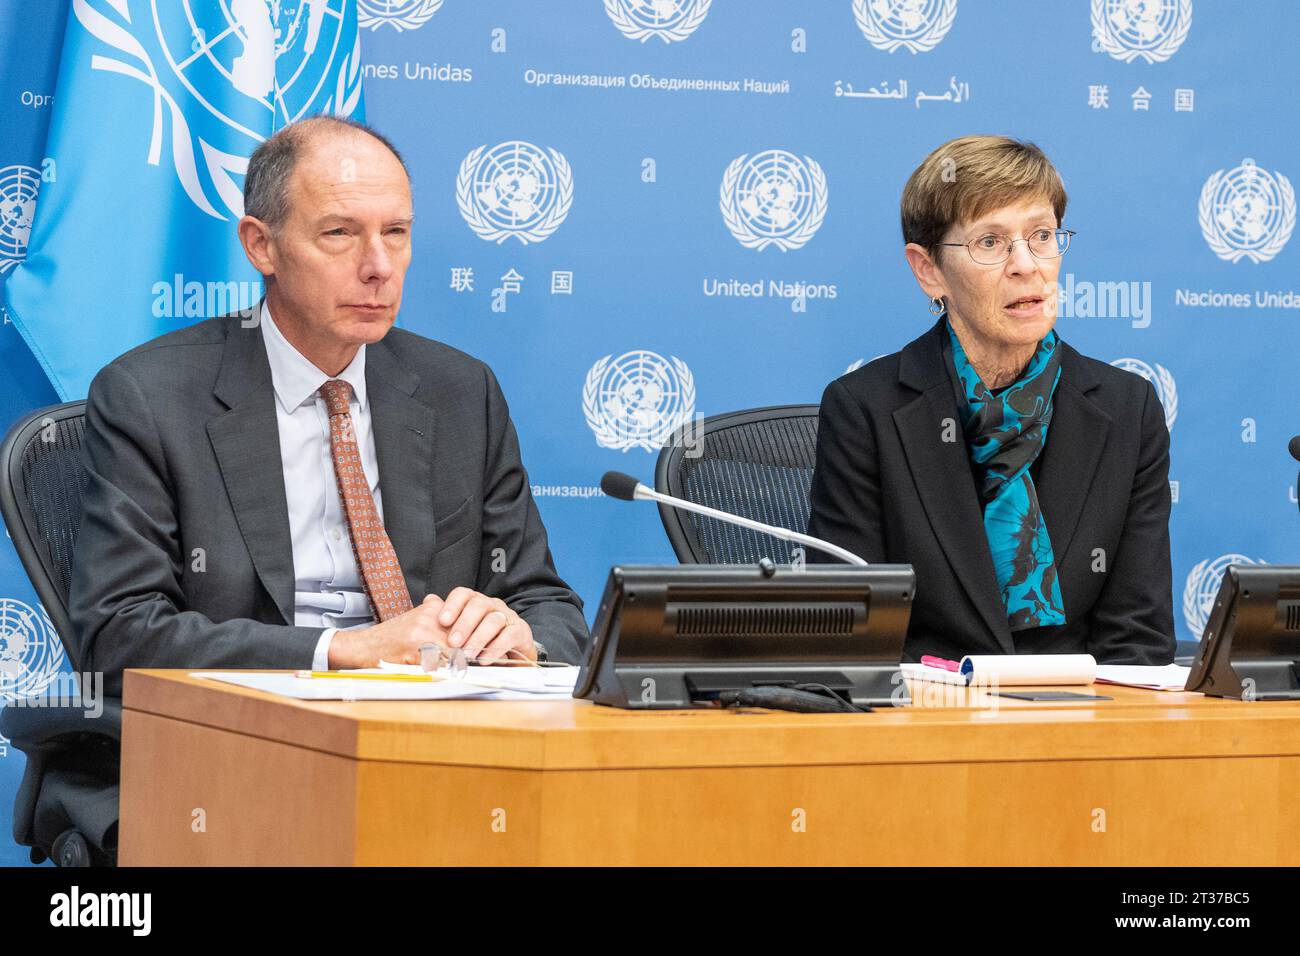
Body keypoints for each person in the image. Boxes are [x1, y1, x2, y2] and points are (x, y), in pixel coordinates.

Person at [69, 116, 588, 697]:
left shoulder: (462, 391)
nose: (379, 266)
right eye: (340, 233)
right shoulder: (150, 396)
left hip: (436, 736)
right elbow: (118, 634)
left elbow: (546, 602)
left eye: (395, 232)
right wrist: (342, 652)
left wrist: (520, 639)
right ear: (260, 245)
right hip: (250, 738)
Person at [807, 134, 1175, 664]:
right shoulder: (866, 409)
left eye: (1041, 236)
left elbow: (1136, 640)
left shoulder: (1126, 410)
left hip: (1078, 725)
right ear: (929, 269)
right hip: (926, 724)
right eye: (991, 243)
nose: (1027, 265)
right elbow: (850, 638)